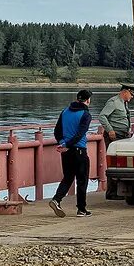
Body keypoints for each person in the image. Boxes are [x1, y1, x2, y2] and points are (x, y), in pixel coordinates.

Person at [50, 89, 93, 218]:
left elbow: (57, 131)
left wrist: (63, 143)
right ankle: (81, 209)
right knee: (82, 180)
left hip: (66, 152)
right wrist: (68, 144)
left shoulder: (65, 111)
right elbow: (80, 134)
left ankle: (56, 199)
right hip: (79, 150)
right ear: (88, 100)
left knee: (68, 177)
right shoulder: (85, 114)